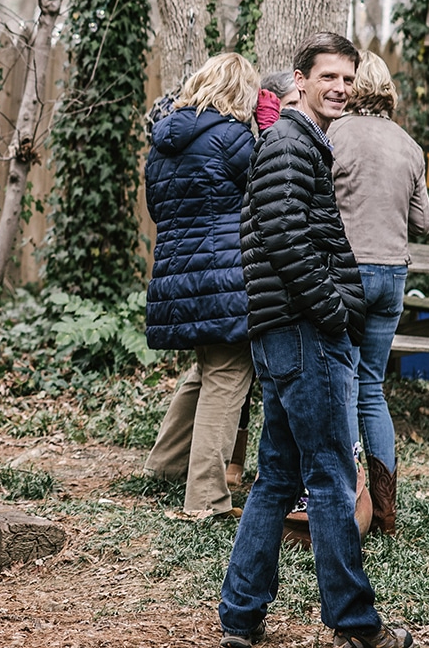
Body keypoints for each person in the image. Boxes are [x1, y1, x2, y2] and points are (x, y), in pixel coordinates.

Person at [217, 32, 412, 648]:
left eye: (349, 80)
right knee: (329, 474)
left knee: (277, 478)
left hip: (289, 333)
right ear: (299, 79)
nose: (341, 88)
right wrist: (332, 311)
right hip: (302, 334)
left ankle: (240, 619)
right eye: (329, 76)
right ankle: (357, 626)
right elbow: (282, 235)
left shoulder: (305, 143)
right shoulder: (287, 144)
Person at [141, 53, 259, 522]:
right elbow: (261, 189)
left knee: (206, 370)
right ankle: (205, 497)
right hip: (225, 272)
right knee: (229, 377)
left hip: (176, 273)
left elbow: (156, 209)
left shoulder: (163, 141)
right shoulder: (233, 137)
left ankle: (165, 466)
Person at [330, 51, 429, 535]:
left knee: (344, 383)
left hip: (348, 274)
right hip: (392, 275)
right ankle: (387, 512)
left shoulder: (336, 134)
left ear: (353, 88)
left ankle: (353, 505)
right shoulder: (409, 146)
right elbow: (423, 221)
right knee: (372, 387)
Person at [225, 70, 300, 489]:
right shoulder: (254, 144)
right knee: (242, 375)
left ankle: (259, 466)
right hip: (248, 271)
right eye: (284, 108)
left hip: (271, 280)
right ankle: (234, 462)